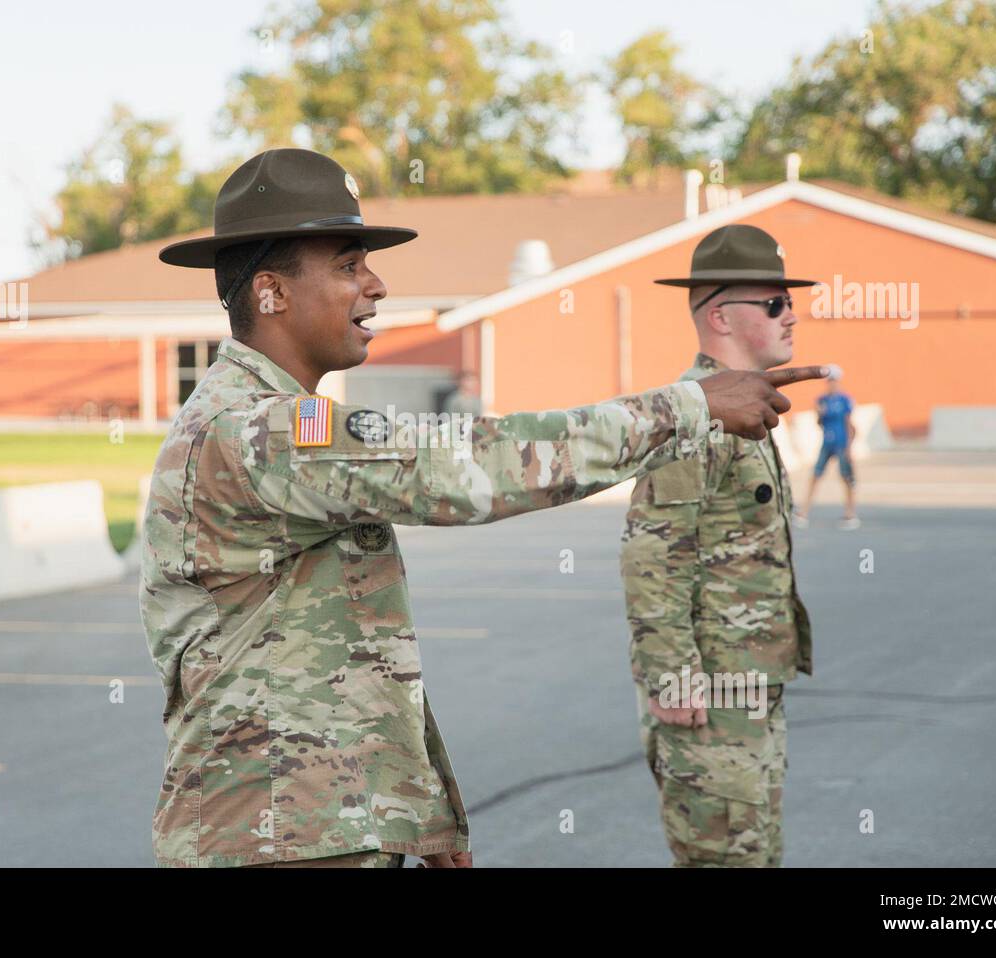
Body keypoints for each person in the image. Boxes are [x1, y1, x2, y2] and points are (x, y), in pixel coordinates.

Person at [140, 149, 826, 868]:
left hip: (323, 828)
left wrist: (424, 809)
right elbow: (468, 464)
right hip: (277, 835)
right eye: (349, 265)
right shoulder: (258, 430)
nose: (375, 284)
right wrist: (690, 405)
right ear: (273, 292)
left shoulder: (276, 422)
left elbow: (348, 652)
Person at [622, 224, 816, 867]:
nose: (792, 314)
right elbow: (655, 555)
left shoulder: (743, 407)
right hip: (710, 692)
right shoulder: (695, 416)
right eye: (775, 303)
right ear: (722, 316)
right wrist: (673, 676)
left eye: (790, 300)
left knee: (756, 854)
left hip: (751, 684)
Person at [795, 364, 858, 530]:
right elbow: (819, 423)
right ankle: (804, 512)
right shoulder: (821, 401)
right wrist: (819, 413)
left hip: (841, 443)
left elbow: (850, 425)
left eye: (834, 381)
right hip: (827, 443)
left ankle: (850, 513)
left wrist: (850, 447)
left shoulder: (844, 400)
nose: (831, 384)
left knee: (846, 478)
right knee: (816, 475)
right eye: (829, 381)